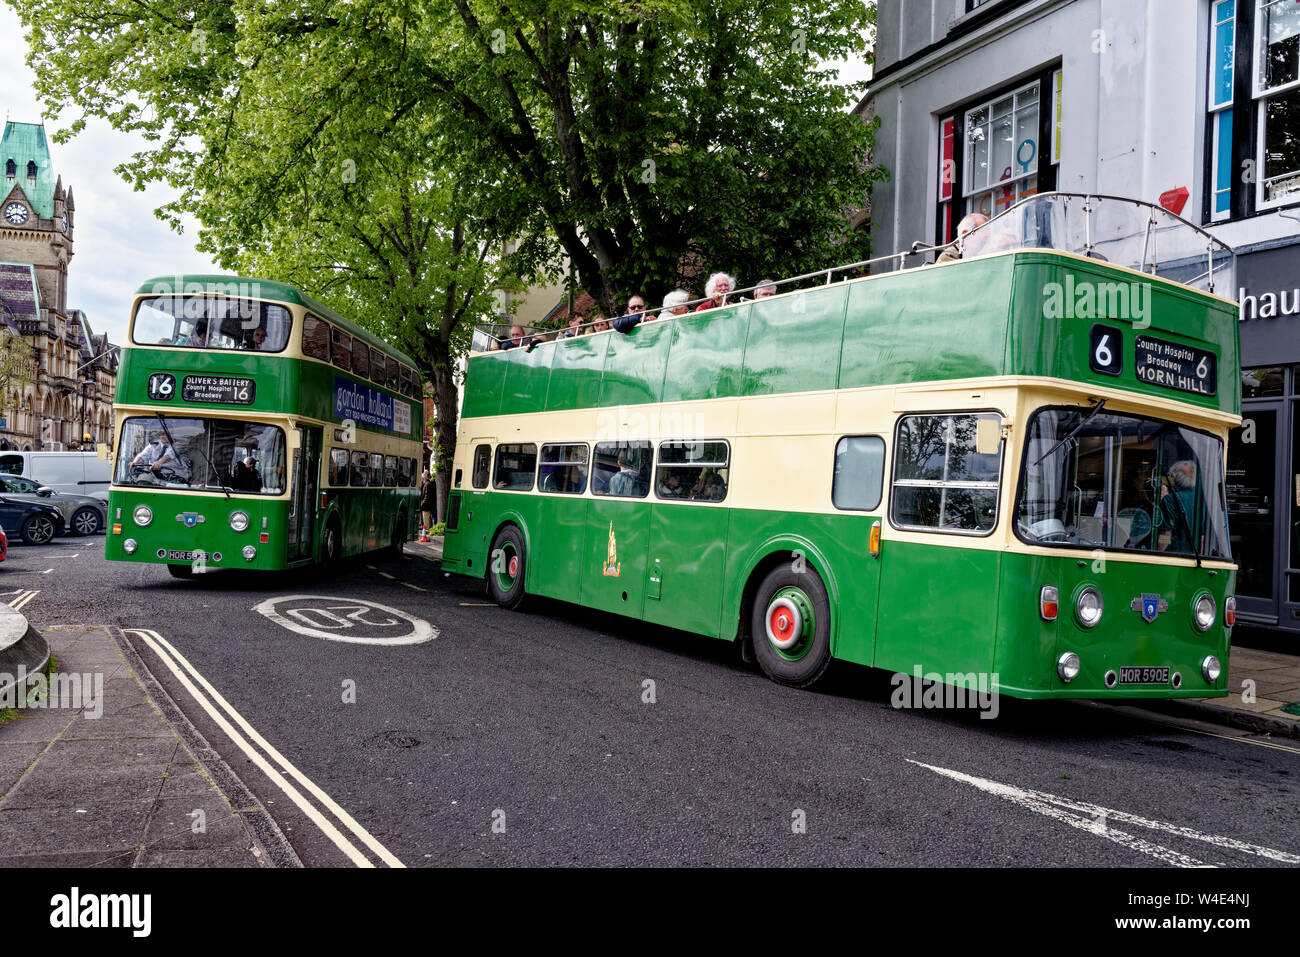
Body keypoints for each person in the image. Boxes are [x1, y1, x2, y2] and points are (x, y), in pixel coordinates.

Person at [1159, 460, 1201, 554]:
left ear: (1176, 478)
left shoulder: (1170, 499)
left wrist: (1158, 552)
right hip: (1194, 557)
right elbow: (1202, 537)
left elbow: (1166, 534)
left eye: (1171, 476)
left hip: (1173, 554)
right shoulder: (1199, 500)